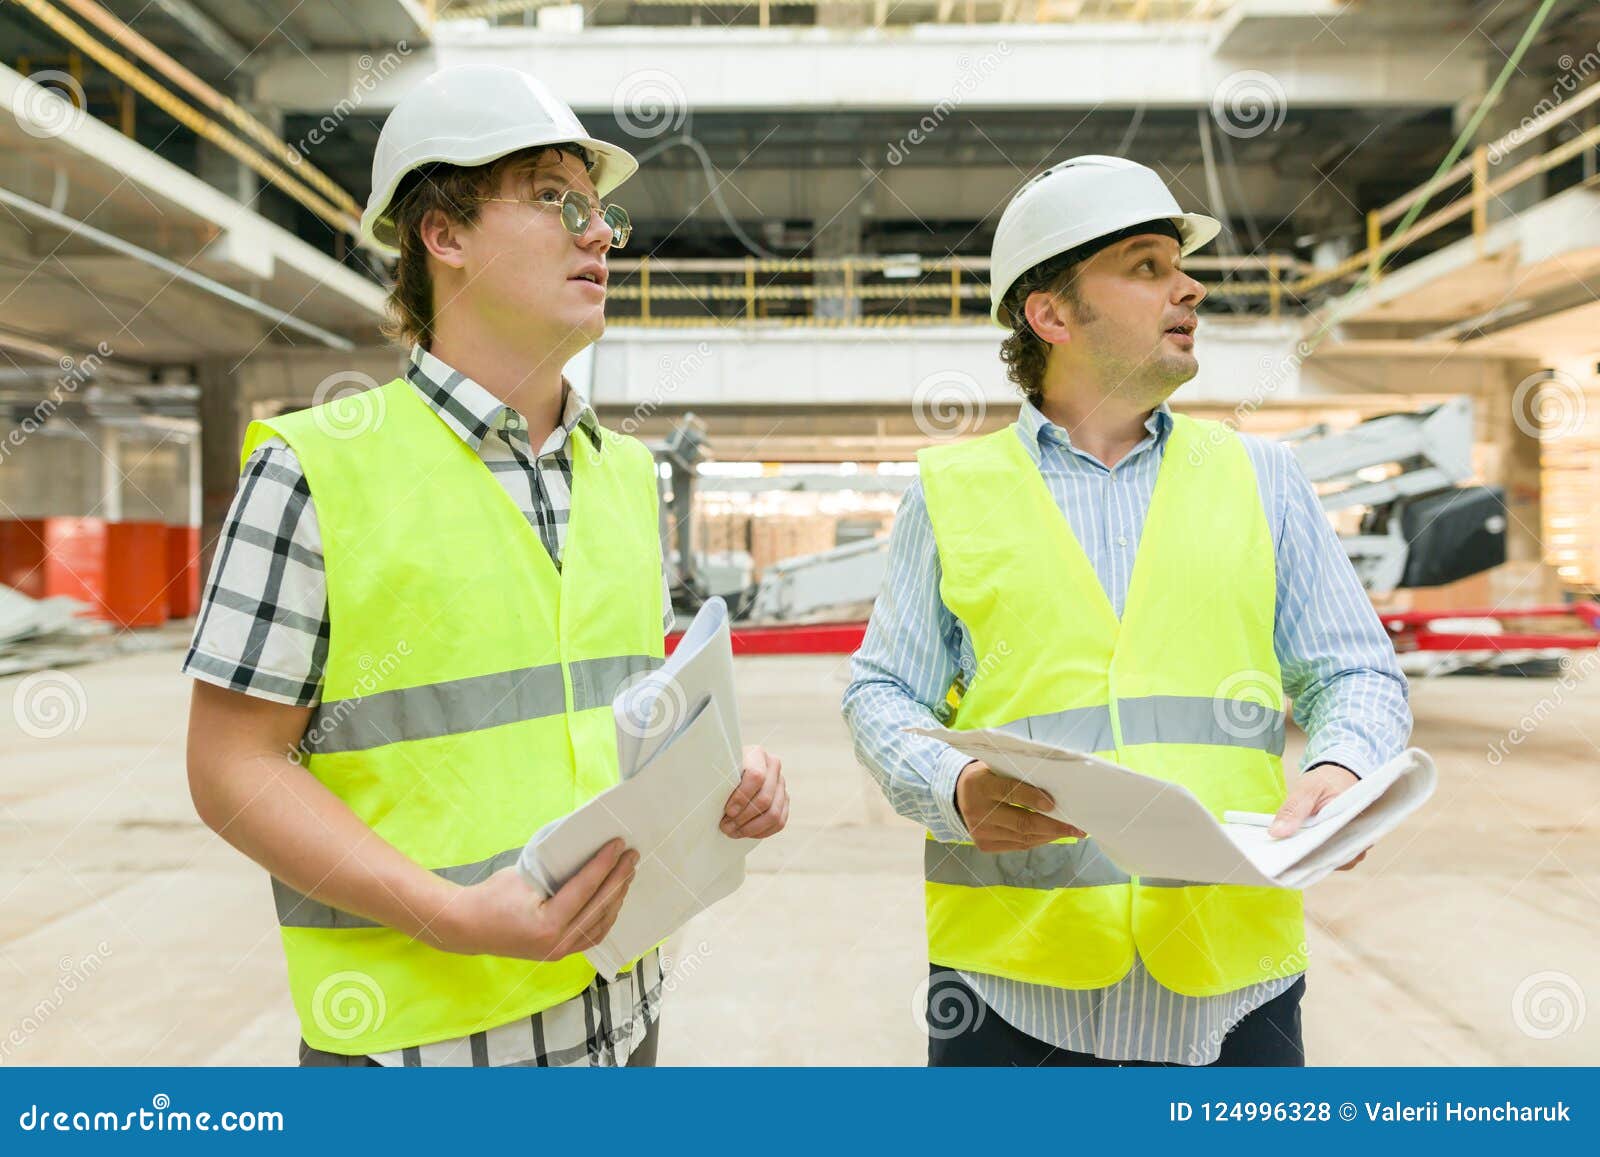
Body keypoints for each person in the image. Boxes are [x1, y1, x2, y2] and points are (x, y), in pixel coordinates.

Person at [184, 64, 788, 1068]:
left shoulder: (626, 473)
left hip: (619, 1020)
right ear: (445, 233)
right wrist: (450, 913)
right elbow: (231, 766)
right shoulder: (315, 467)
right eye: (557, 200)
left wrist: (718, 775)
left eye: (600, 213)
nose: (597, 233)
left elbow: (600, 720)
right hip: (419, 1051)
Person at [842, 155, 1410, 1067]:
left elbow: (1353, 668)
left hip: (1234, 983)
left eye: (1178, 266)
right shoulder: (953, 490)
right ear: (1052, 314)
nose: (1188, 286)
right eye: (1147, 266)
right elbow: (882, 691)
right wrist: (952, 790)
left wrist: (1346, 771)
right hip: (1012, 982)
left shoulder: (1264, 479)